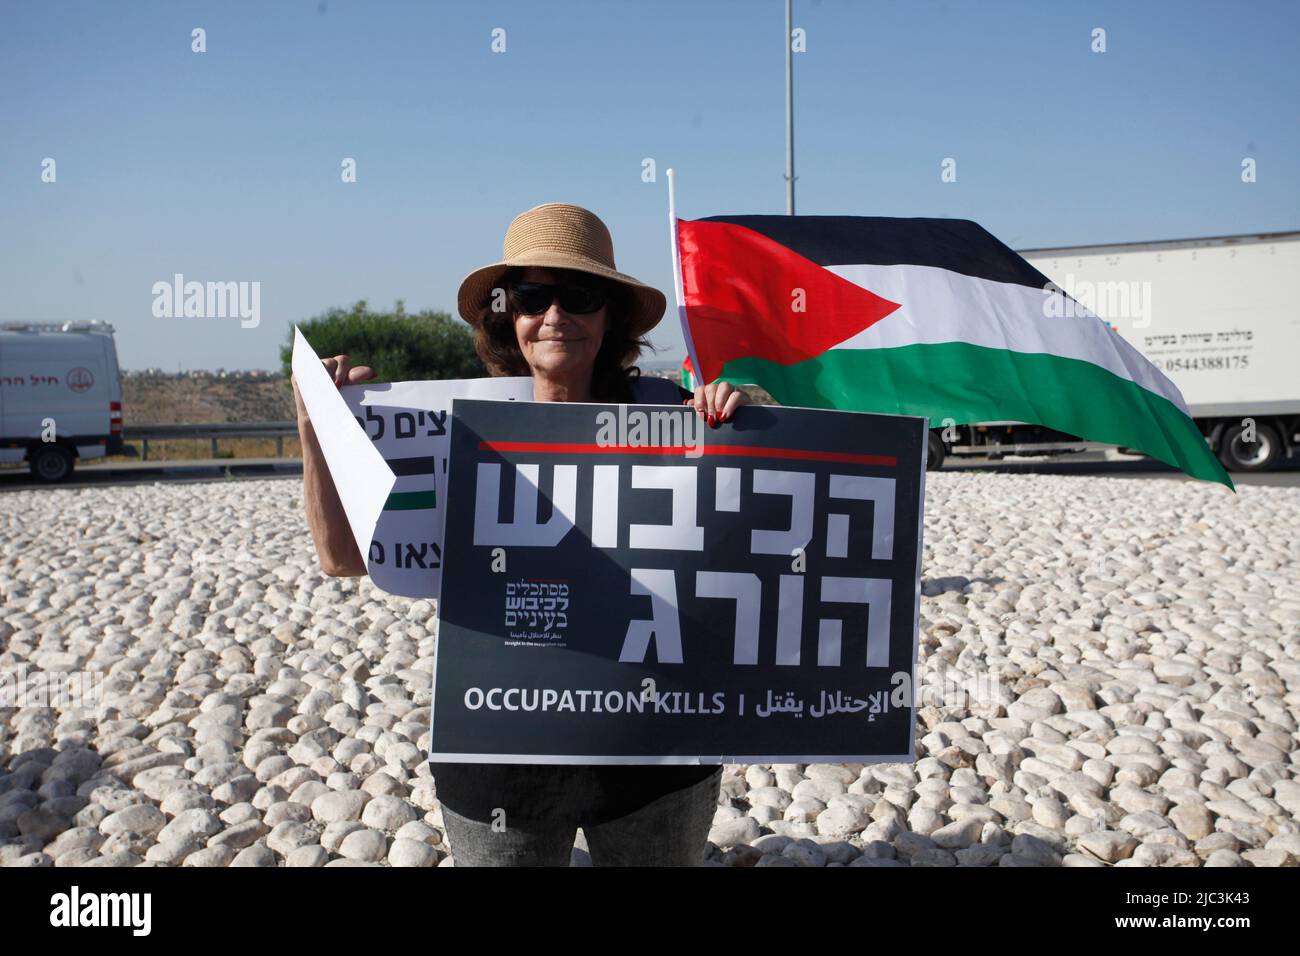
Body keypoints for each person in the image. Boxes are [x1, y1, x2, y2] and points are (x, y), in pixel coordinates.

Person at [292, 202, 749, 866]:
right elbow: (341, 558)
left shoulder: (674, 419)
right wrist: (319, 431)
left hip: (654, 752)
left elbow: (764, 519)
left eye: (581, 295)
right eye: (534, 296)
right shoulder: (442, 427)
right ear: (509, 313)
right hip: (499, 754)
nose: (555, 315)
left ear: (612, 314)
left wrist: (740, 418)